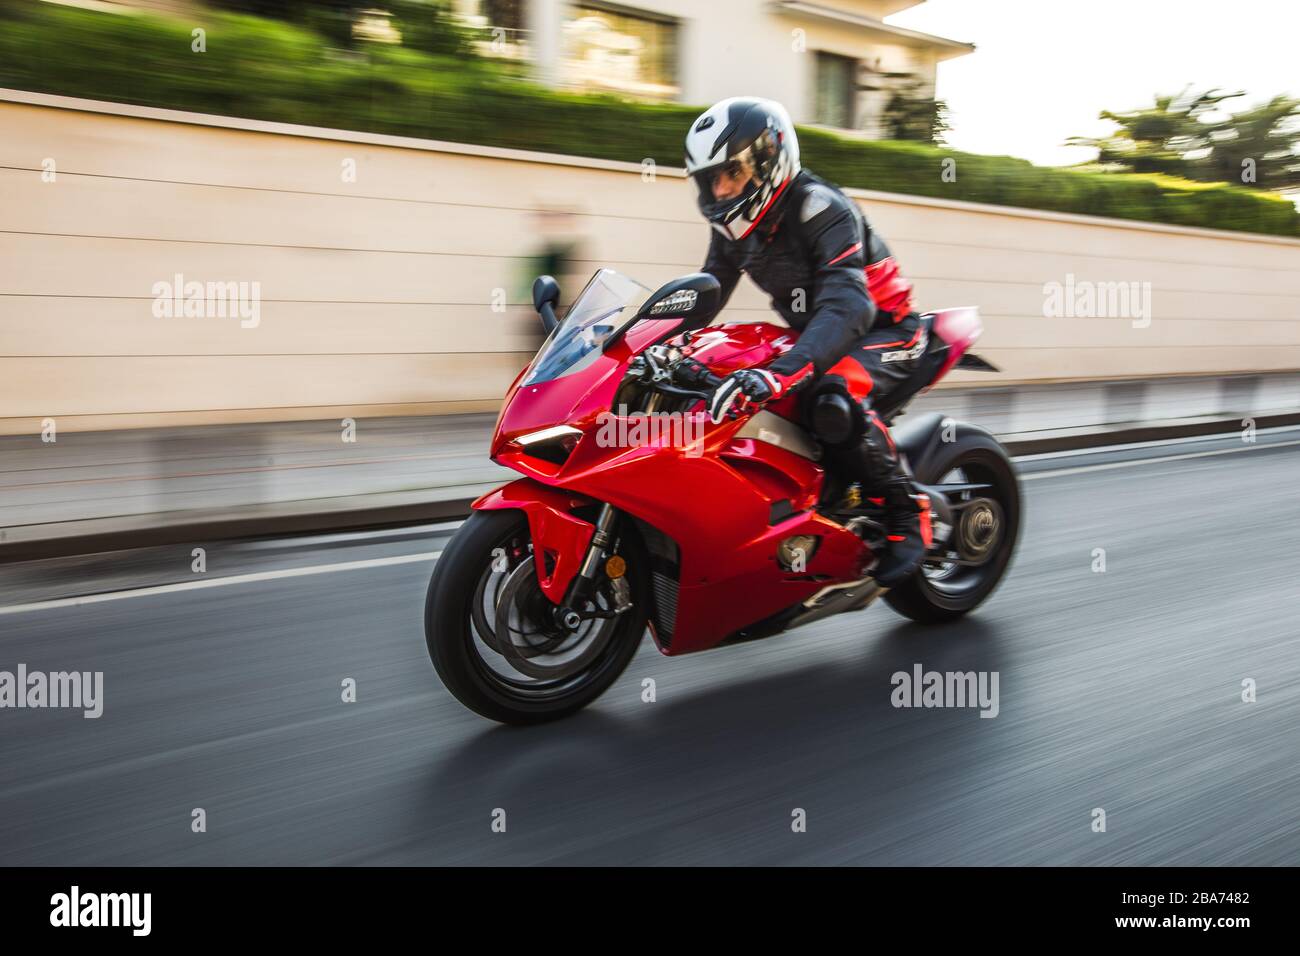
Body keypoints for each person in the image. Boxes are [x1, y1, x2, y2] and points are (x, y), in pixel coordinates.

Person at [684, 96, 931, 587]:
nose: (720, 189)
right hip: (819, 332)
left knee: (830, 399)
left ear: (768, 160)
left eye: (731, 173)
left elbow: (848, 305)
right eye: (711, 179)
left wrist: (780, 373)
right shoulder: (733, 227)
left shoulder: (820, 208)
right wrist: (639, 340)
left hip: (886, 331)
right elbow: (707, 292)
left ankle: (906, 511)